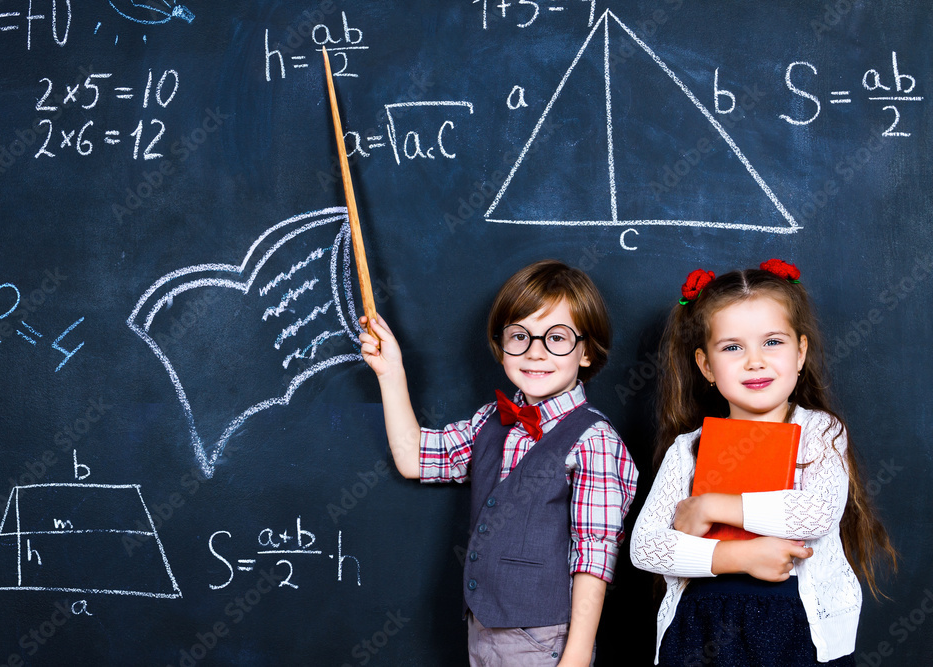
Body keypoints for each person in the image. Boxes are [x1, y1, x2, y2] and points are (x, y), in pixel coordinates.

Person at [359, 259, 637, 666]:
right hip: (483, 629)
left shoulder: (594, 439)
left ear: (587, 352)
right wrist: (390, 372)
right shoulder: (490, 419)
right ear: (500, 345)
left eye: (556, 338)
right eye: (519, 336)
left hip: (544, 638)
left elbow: (593, 556)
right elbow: (413, 457)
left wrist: (576, 655)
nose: (535, 352)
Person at [630, 259, 897, 666]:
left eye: (772, 342)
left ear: (801, 352)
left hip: (797, 629)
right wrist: (740, 557)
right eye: (732, 347)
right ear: (706, 365)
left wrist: (712, 505)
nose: (754, 361)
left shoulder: (821, 433)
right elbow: (646, 547)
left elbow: (816, 515)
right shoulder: (687, 449)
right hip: (700, 628)